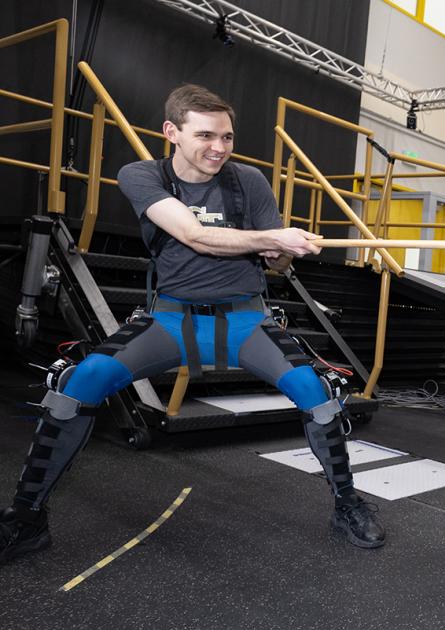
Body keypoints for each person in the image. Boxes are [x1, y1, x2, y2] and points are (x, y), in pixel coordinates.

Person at [0, 84, 385, 562]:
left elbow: (276, 266)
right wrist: (269, 235)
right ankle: (26, 518)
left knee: (318, 395)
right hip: (171, 321)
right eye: (205, 135)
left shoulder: (250, 183)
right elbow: (194, 236)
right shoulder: (143, 175)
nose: (219, 148)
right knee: (79, 384)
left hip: (245, 322)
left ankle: (347, 504)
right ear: (171, 132)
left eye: (227, 137)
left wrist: (281, 253)